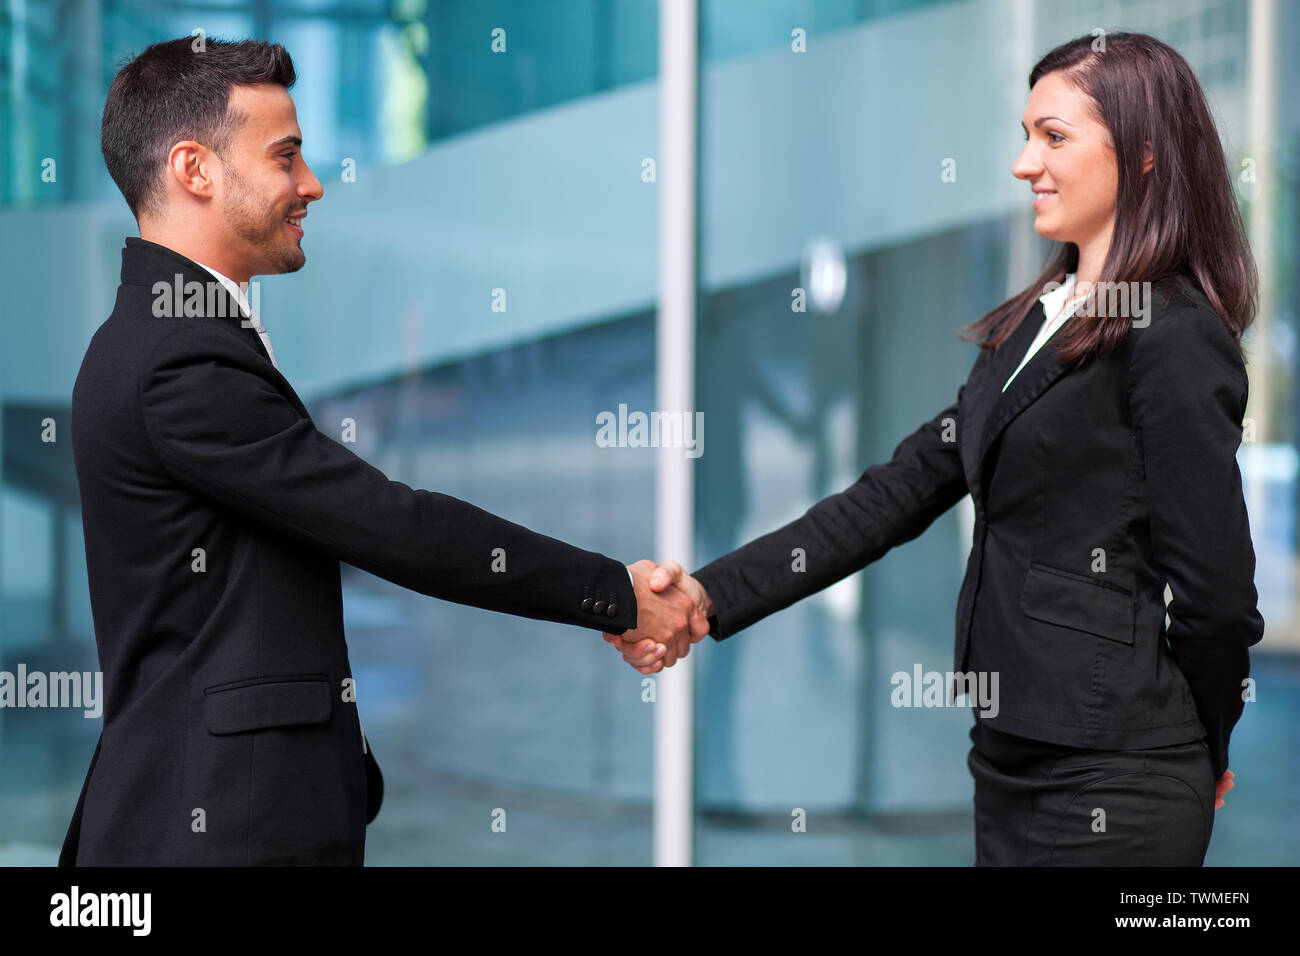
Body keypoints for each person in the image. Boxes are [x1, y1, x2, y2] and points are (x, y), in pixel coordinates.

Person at [606, 31, 1263, 866]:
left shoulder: (1172, 335)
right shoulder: (1038, 317)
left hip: (1119, 777)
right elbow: (894, 494)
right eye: (1026, 135)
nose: (1026, 163)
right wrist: (707, 594)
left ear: (1141, 154)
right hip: (1008, 759)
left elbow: (1217, 596)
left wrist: (1207, 741)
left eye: (1054, 137)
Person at [63, 37, 707, 866]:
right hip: (216, 828)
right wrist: (615, 594)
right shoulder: (177, 358)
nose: (312, 184)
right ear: (195, 170)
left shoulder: (162, 337)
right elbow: (393, 525)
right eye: (286, 156)